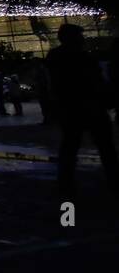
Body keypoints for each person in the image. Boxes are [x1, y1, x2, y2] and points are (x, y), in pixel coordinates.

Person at [45, 23, 118, 190]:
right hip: (87, 107)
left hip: (72, 108)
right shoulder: (80, 58)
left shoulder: (57, 57)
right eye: (79, 36)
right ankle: (112, 179)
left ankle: (66, 182)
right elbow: (94, 81)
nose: (82, 39)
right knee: (103, 146)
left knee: (71, 146)